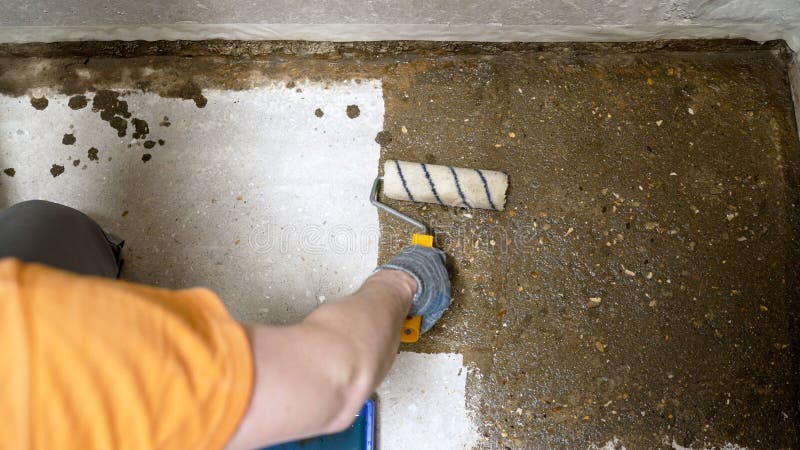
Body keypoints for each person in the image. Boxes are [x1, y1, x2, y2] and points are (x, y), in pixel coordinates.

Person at [0, 199, 451, 449]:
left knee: (43, 226)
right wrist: (401, 285)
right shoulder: (36, 356)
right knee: (45, 227)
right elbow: (335, 379)